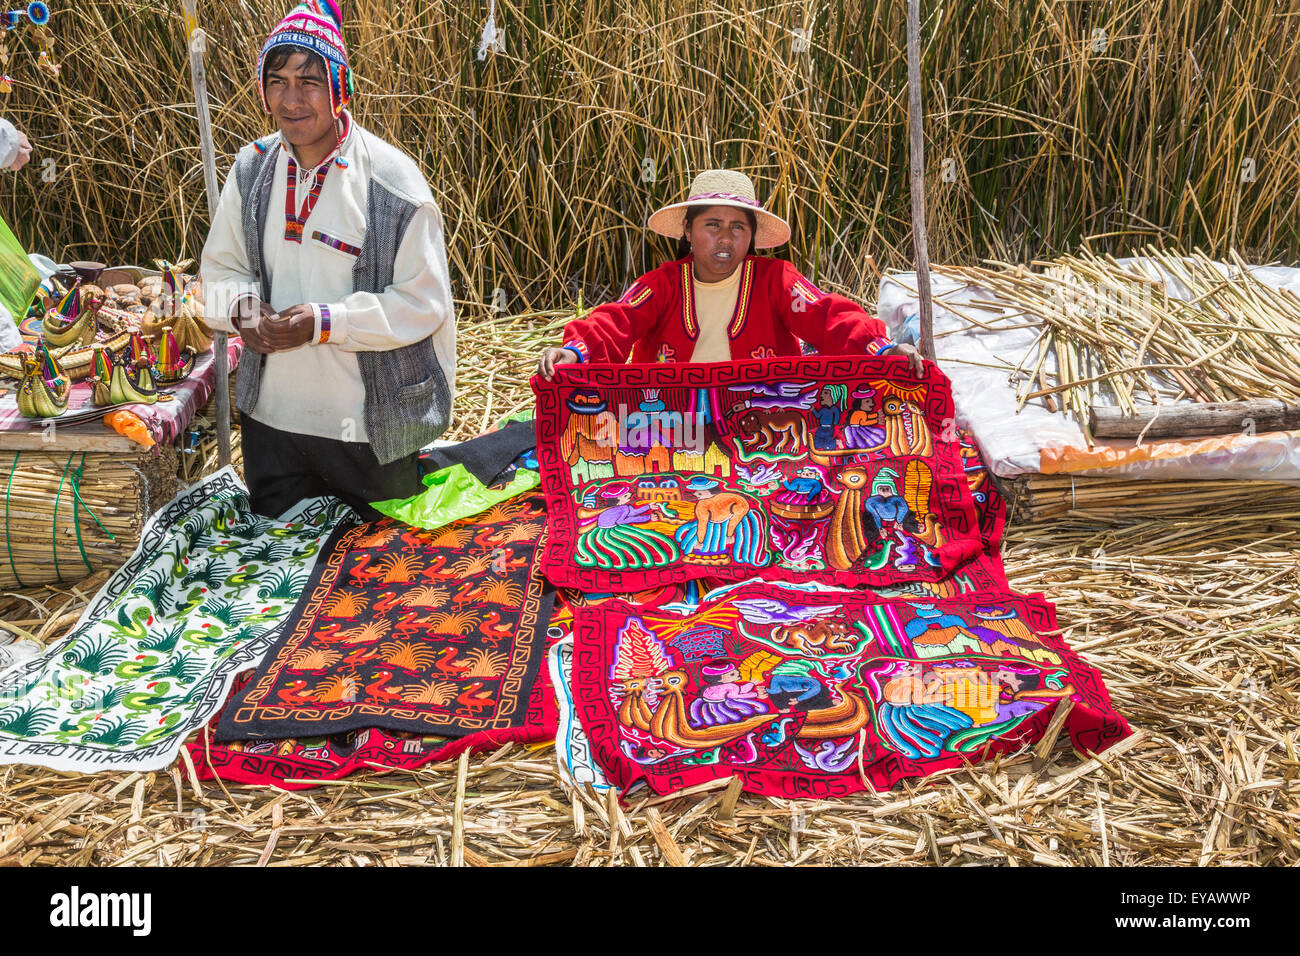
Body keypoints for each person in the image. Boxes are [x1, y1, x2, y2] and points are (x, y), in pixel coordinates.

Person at [201, 0, 455, 518]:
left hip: (370, 432)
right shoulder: (252, 170)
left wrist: (322, 323)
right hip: (273, 426)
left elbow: (423, 303)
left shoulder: (392, 183)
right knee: (279, 576)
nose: (291, 100)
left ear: (341, 87)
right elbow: (215, 275)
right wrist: (244, 310)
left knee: (378, 582)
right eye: (277, 81)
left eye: (309, 82)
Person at [537, 169, 923, 378]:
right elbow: (617, 320)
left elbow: (826, 314)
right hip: (668, 421)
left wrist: (883, 349)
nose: (726, 238)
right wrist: (575, 352)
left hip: (760, 417)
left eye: (738, 227)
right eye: (713, 225)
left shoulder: (775, 279)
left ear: (752, 235)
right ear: (688, 231)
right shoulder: (664, 284)